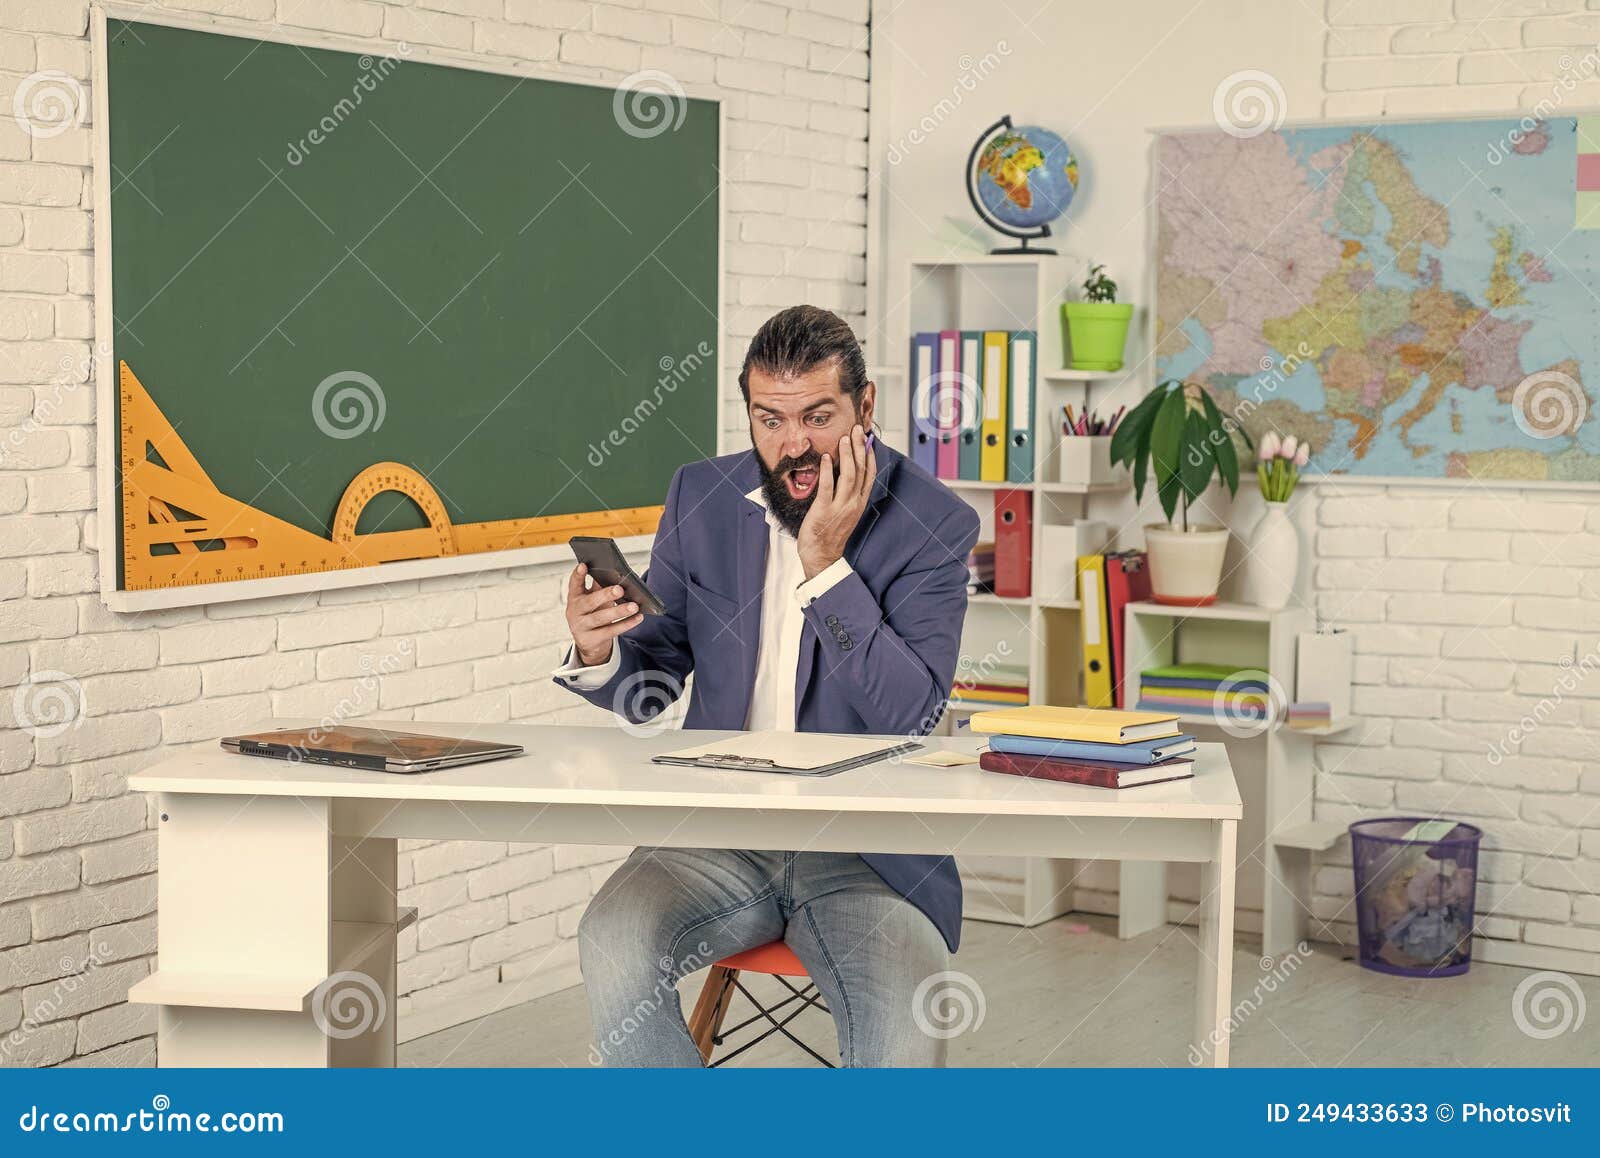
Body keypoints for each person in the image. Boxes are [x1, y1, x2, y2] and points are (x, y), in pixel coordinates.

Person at [553, 305, 980, 1066]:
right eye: (770, 420)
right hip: (719, 836)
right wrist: (597, 650)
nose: (793, 446)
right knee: (611, 937)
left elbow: (911, 711)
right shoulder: (701, 498)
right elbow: (655, 684)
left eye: (818, 417)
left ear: (866, 407)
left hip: (867, 855)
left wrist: (824, 563)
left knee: (907, 1039)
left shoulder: (932, 525)